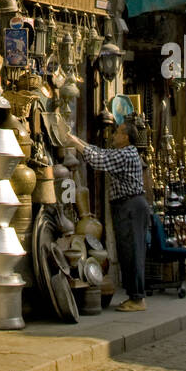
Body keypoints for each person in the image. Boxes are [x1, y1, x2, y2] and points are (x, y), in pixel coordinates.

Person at [64, 120, 151, 312]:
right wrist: (76, 140)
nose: (114, 136)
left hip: (130, 206)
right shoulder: (123, 153)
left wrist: (75, 144)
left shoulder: (127, 154)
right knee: (127, 251)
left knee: (132, 251)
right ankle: (134, 296)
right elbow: (101, 152)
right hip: (126, 206)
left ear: (126, 137)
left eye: (117, 133)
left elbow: (99, 161)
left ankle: (138, 299)